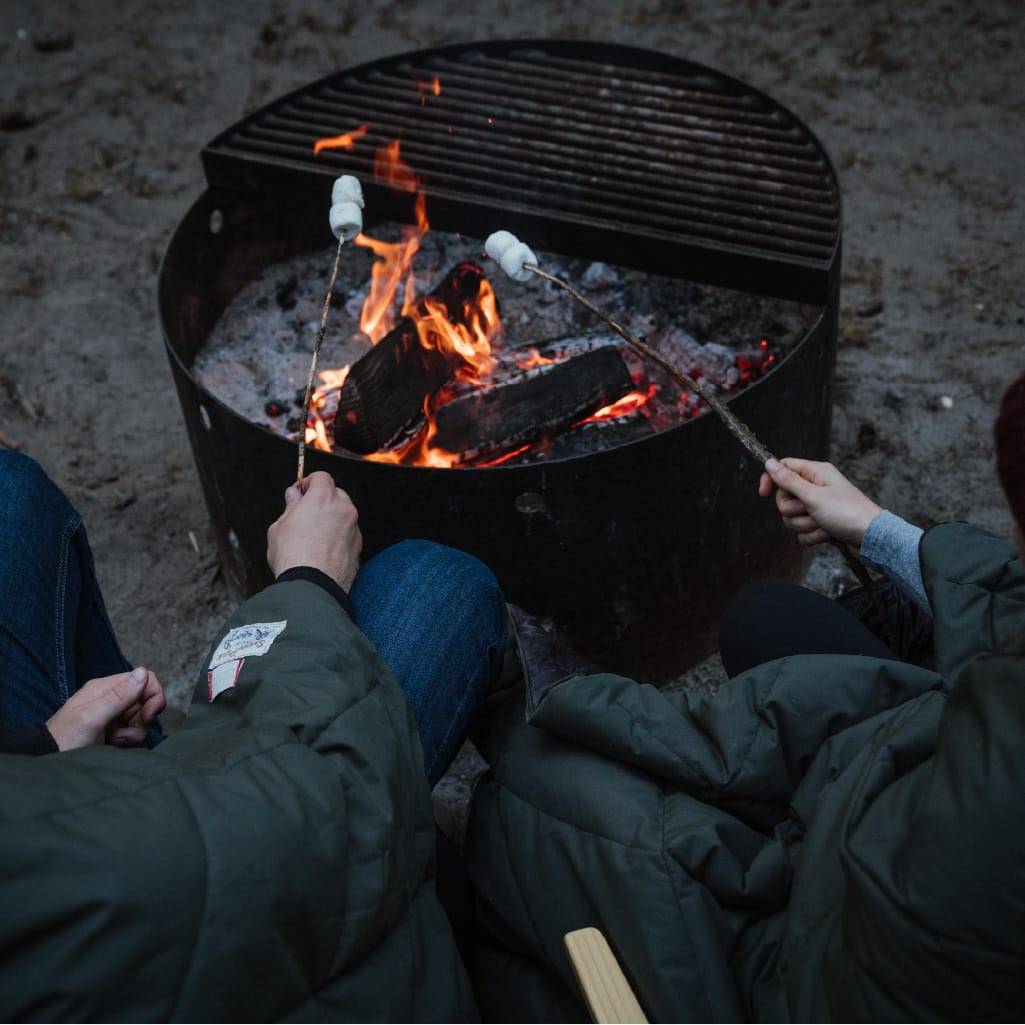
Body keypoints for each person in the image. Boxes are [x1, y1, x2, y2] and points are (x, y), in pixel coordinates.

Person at [464, 373, 1025, 1022]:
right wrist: (879, 531)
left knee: (531, 809)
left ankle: (523, 693)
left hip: (829, 954)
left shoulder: (976, 837)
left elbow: (821, 966)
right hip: (898, 801)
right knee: (765, 619)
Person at [0, 452, 505, 1020]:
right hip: (252, 895)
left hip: (100, 814)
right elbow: (300, 810)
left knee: (8, 493)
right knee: (434, 587)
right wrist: (309, 582)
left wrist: (46, 745)